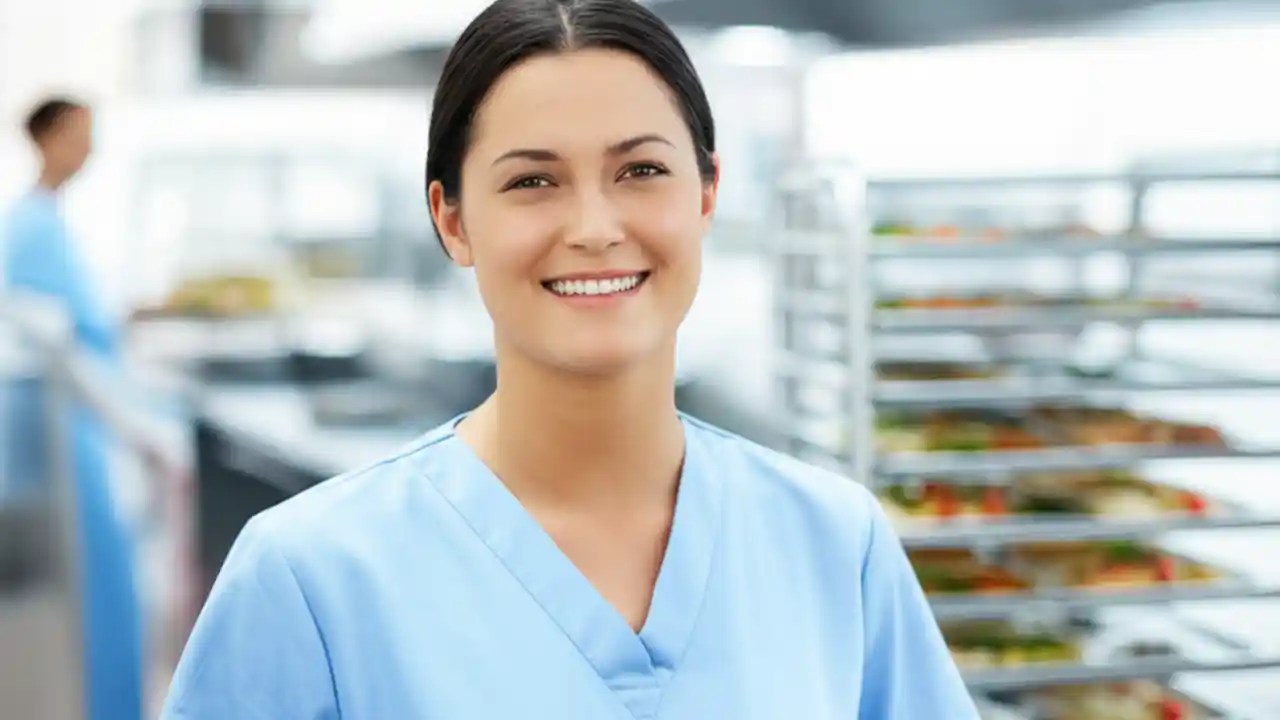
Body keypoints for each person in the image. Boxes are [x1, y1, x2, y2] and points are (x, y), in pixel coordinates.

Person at [162, 1, 978, 717]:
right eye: (532, 182)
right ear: (452, 221)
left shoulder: (835, 545)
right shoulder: (311, 579)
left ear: (706, 193)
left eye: (641, 170)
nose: (594, 225)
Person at [2, 97, 143, 719]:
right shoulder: (30, 226)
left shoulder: (50, 222)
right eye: (84, 134)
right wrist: (131, 423)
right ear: (50, 138)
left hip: (77, 425)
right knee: (92, 591)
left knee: (102, 588)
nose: (92, 147)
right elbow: (55, 340)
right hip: (61, 432)